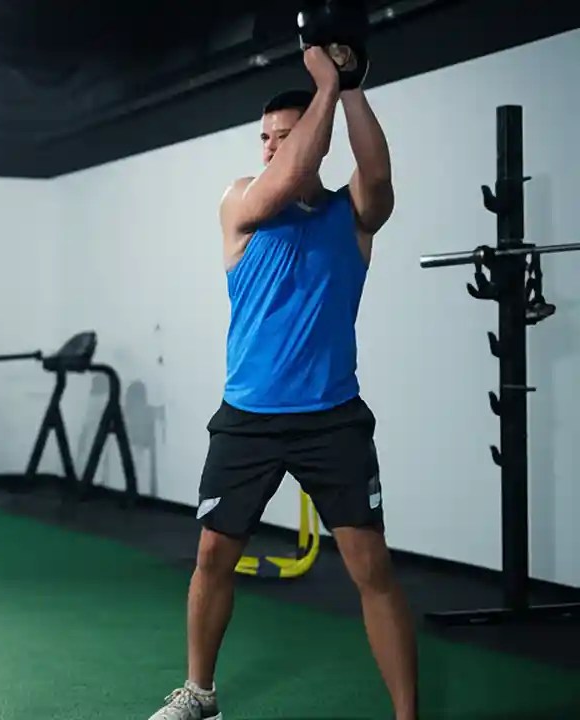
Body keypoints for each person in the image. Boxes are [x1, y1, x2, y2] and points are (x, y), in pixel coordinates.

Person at [147, 47, 417, 720]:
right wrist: (326, 83)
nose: (270, 148)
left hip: (333, 418)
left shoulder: (350, 216)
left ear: (315, 137)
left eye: (284, 136)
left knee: (372, 571)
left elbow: (378, 174)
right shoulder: (241, 202)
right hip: (248, 416)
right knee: (213, 557)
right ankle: (199, 693)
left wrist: (348, 87)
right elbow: (290, 175)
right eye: (264, 137)